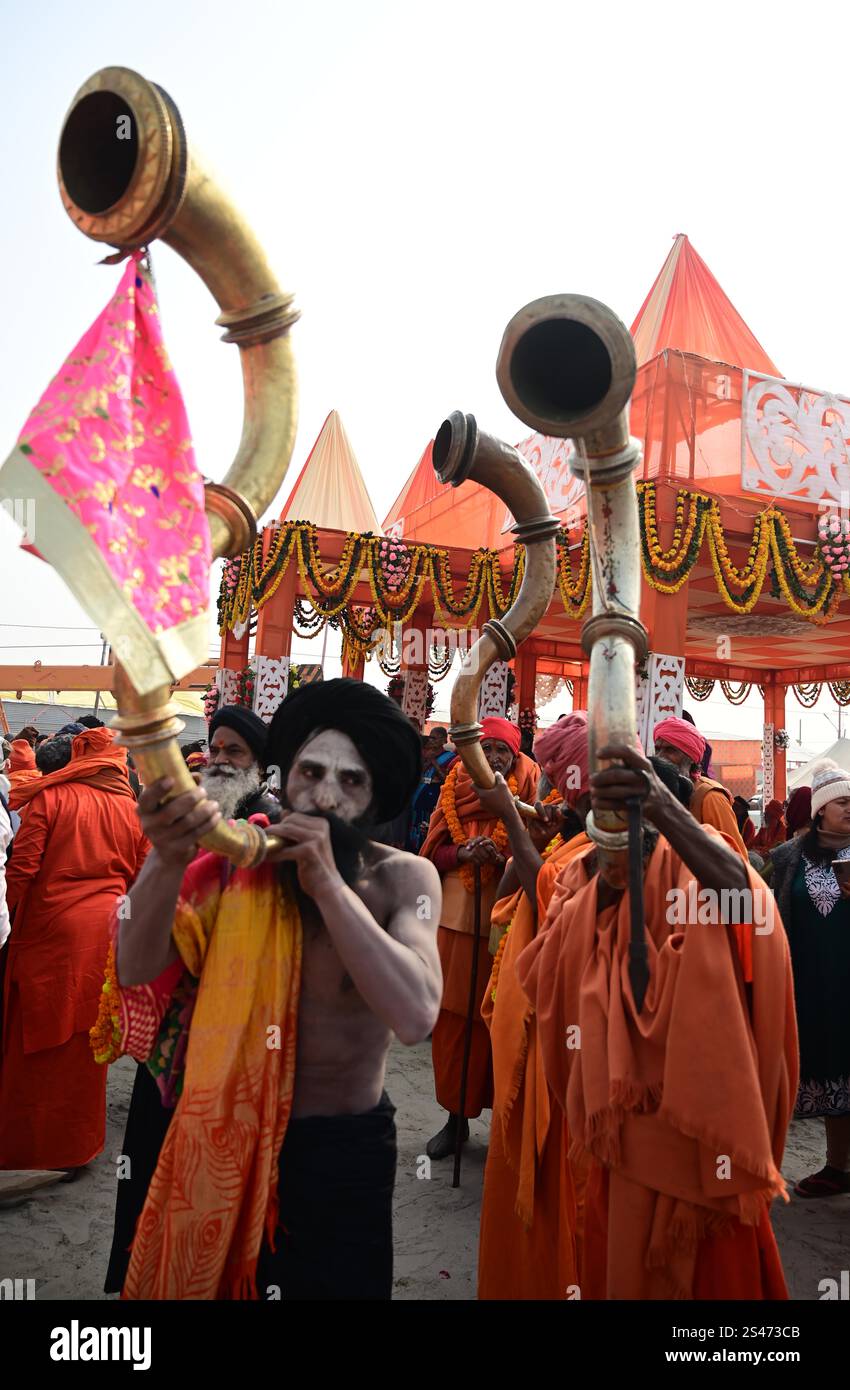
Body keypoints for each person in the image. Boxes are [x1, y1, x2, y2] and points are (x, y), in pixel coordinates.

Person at [97, 678, 441, 1300]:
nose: (326, 796)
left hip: (343, 1155)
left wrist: (329, 888)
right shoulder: (235, 860)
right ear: (284, 775)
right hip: (223, 1140)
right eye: (311, 772)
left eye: (352, 781)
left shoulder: (404, 878)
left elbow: (417, 1014)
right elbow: (136, 966)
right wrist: (167, 856)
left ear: (376, 795)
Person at [516, 740, 797, 1300]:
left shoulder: (703, 860)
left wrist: (662, 807)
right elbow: (545, 974)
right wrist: (601, 883)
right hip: (619, 1144)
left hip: (703, 1149)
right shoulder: (586, 876)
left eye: (631, 806)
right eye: (605, 809)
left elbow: (747, 901)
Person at [476, 713, 593, 1299]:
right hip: (534, 1029)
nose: (541, 788)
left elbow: (548, 898)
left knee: (556, 1186)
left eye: (551, 778)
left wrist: (511, 821)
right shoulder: (570, 837)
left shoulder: (601, 848)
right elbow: (511, 892)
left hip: (564, 1043)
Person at [0, 727, 148, 1172]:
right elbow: (142, 880)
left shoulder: (51, 799)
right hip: (104, 937)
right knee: (88, 1044)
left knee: (36, 1042)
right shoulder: (134, 811)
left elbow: (21, 871)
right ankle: (77, 1147)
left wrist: (5, 921)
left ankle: (26, 1150)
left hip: (51, 934)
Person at [419, 716, 539, 1160]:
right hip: (455, 923)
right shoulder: (455, 782)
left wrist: (504, 854)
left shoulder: (530, 788)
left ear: (515, 756)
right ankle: (455, 1120)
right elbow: (431, 851)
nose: (492, 758)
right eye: (486, 750)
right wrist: (462, 852)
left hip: (508, 926)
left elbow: (543, 849)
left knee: (502, 1021)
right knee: (454, 1023)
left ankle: (505, 1124)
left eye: (501, 752)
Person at [769, 760, 850, 1198]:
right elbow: (755, 898)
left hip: (847, 976)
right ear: (819, 809)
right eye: (843, 801)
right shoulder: (788, 858)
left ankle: (839, 1166)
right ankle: (832, 1167)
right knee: (814, 1066)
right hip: (807, 981)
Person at [654, 715, 748, 856]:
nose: (660, 757)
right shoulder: (655, 794)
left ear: (691, 757)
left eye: (670, 750)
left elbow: (737, 860)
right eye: (657, 749)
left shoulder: (710, 797)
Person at [203, 705, 281, 822]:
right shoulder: (200, 811)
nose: (219, 760)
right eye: (214, 751)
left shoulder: (271, 819)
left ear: (259, 765)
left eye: (233, 751)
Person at [407, 728, 454, 854]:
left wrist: (434, 762)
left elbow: (447, 780)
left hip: (433, 802)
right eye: (430, 737)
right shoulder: (426, 753)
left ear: (444, 740)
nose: (431, 740)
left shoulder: (450, 758)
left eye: (434, 738)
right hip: (419, 799)